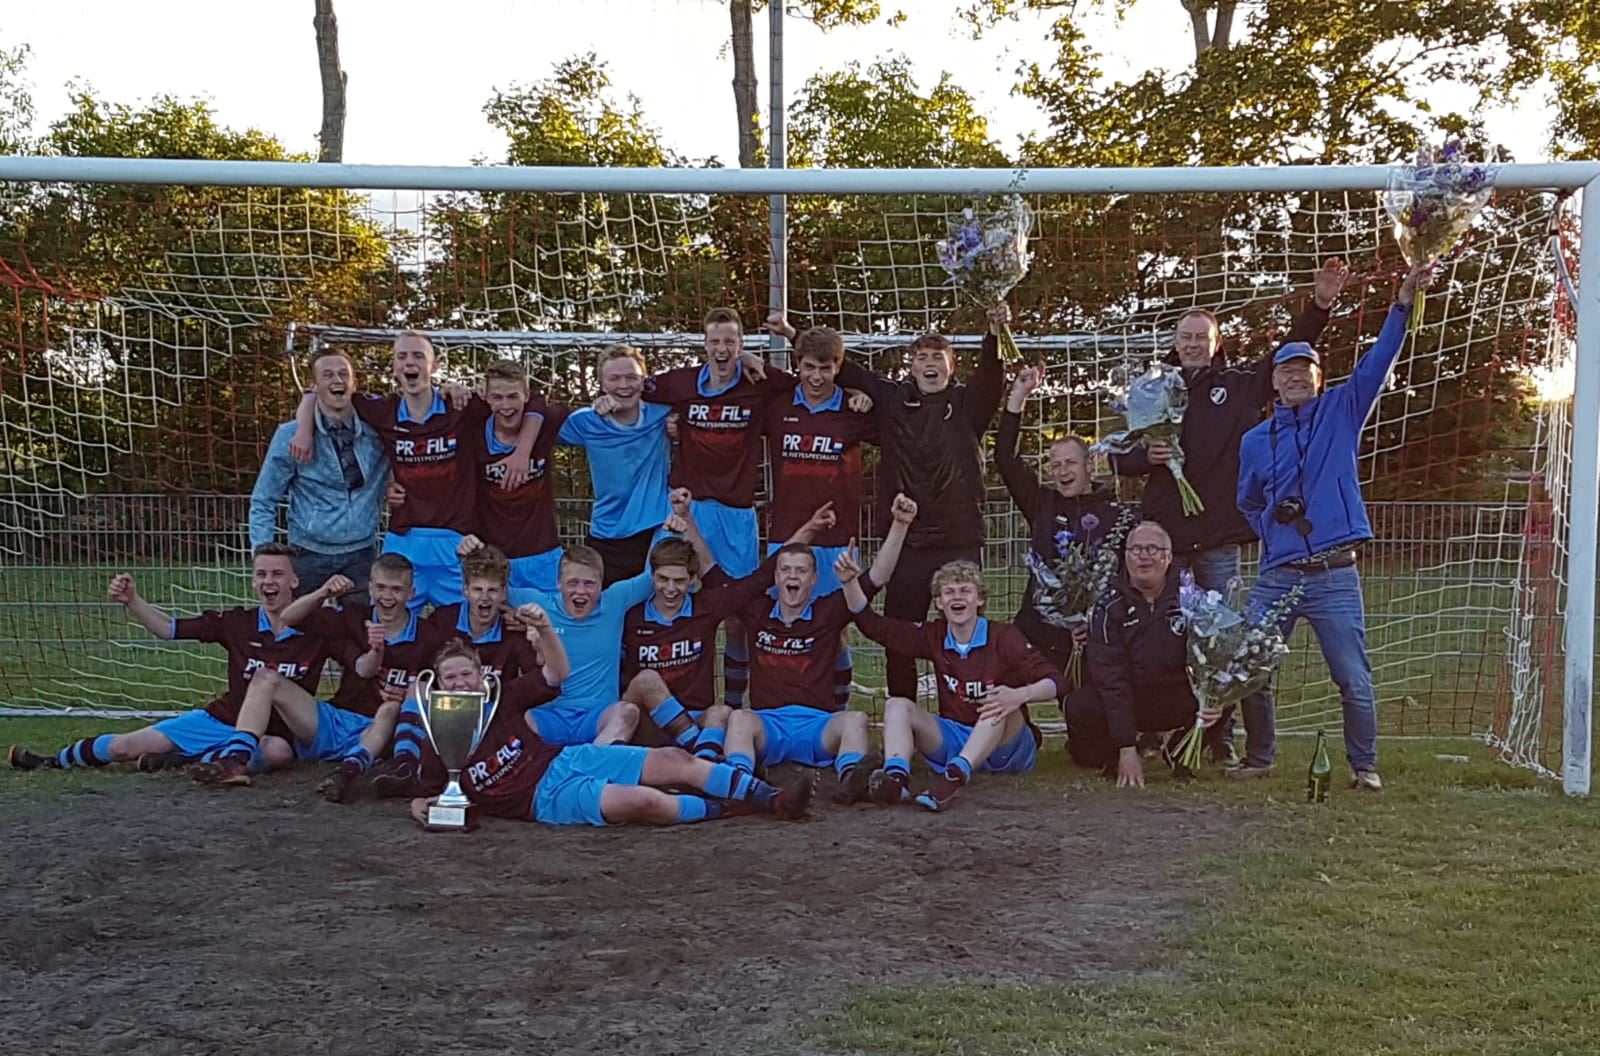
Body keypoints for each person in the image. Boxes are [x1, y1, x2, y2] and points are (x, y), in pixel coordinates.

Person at [1230, 263, 1433, 790]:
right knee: (1251, 665)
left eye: (1305, 370)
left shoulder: (1343, 410)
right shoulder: (1255, 439)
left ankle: (1363, 766)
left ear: (1320, 379)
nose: (1296, 376)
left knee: (1353, 678)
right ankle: (1260, 756)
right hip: (1278, 571)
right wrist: (1273, 530)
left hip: (1334, 573)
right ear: (1272, 382)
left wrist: (1403, 303)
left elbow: (1379, 360)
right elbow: (1248, 500)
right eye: (1286, 370)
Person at [781, 307, 1004, 702]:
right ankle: (906, 717)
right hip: (906, 543)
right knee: (899, 636)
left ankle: (968, 717)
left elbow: (991, 379)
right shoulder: (893, 399)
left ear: (952, 369)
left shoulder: (969, 405)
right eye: (921, 357)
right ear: (912, 368)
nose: (929, 363)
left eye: (938, 358)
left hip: (959, 538)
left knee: (967, 634)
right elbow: (842, 366)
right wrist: (792, 334)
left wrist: (993, 332)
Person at [1113, 259, 1348, 593]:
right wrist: (1147, 456)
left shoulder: (1241, 385)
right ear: (1176, 343)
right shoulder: (1150, 392)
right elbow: (1120, 457)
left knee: (1221, 632)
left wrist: (1320, 305)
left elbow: (1287, 351)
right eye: (1186, 337)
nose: (1193, 344)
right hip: (1165, 538)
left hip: (1219, 538)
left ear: (1215, 344)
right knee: (1166, 631)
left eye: (1201, 337)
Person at [7, 544, 342, 776]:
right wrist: (133, 601)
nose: (269, 582)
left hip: (272, 737)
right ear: (254, 581)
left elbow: (358, 666)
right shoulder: (237, 622)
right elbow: (169, 629)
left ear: (295, 581)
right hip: (221, 721)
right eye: (261, 574)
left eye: (277, 574)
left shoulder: (320, 629)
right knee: (125, 747)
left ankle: (181, 761)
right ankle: (52, 761)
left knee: (279, 754)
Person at [406, 638, 813, 827]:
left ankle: (772, 799)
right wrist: (420, 809)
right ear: (438, 685)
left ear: (481, 676)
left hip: (564, 758)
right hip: (543, 800)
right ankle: (727, 808)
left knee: (674, 760)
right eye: (450, 678)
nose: (460, 683)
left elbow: (556, 675)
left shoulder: (502, 700)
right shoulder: (437, 734)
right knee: (641, 802)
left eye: (466, 673)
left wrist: (545, 630)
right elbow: (425, 794)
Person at [292, 331, 542, 610]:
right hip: (405, 542)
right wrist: (303, 430)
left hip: (457, 543)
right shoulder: (382, 411)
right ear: (395, 368)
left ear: (434, 367)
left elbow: (532, 403)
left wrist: (522, 453)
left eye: (418, 356)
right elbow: (319, 394)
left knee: (466, 630)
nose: (410, 362)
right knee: (388, 631)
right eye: (402, 356)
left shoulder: (459, 406)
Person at [721, 493, 917, 804]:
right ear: (774, 577)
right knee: (739, 720)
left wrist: (900, 525)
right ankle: (743, 787)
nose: (792, 576)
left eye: (800, 571)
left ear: (814, 579)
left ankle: (851, 782)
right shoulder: (757, 609)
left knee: (855, 720)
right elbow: (710, 575)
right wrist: (687, 523)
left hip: (819, 725)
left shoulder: (828, 610)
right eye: (785, 570)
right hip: (769, 723)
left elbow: (878, 577)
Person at [641, 307, 791, 707]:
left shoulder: (757, 382)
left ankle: (733, 708)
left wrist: (751, 362)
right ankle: (667, 702)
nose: (721, 348)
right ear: (704, 344)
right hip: (686, 509)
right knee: (665, 598)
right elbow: (635, 390)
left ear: (741, 345)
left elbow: (803, 386)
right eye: (715, 341)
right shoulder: (683, 383)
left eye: (730, 341)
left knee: (739, 616)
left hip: (736, 514)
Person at [620, 496, 837, 759]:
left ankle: (706, 766)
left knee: (723, 712)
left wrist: (810, 528)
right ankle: (701, 760)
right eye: (663, 579)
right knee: (647, 682)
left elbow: (765, 574)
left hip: (697, 719)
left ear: (692, 579)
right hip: (649, 722)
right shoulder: (631, 617)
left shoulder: (707, 607)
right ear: (651, 577)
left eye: (679, 581)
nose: (670, 588)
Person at [844, 559, 1063, 812]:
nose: (956, 597)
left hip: (1006, 747)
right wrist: (850, 583)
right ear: (939, 602)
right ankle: (896, 781)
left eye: (965, 590)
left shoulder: (1003, 636)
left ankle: (954, 779)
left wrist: (1019, 695)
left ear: (979, 599)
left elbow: (1056, 682)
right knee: (897, 705)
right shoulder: (934, 635)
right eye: (949, 592)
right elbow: (876, 628)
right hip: (957, 737)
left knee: (996, 703)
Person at [762, 325, 879, 708]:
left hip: (837, 541)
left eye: (826, 368)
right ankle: (769, 707)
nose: (816, 377)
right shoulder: (778, 405)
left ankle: (838, 713)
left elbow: (898, 415)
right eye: (809, 367)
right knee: (777, 624)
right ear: (798, 365)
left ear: (838, 366)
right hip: (788, 536)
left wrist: (865, 398)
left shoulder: (854, 408)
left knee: (835, 630)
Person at [1066, 521, 1226, 787]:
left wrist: (1214, 698)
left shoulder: (1194, 601)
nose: (1143, 556)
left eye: (1153, 549)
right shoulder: (1108, 606)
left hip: (1177, 695)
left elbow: (1214, 662)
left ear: (1168, 557)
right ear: (1125, 557)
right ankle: (1113, 757)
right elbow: (1111, 678)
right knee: (1080, 705)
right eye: (1136, 549)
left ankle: (1180, 754)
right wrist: (1126, 747)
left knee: (1226, 694)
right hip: (1130, 696)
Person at [275, 552, 441, 801]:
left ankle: (352, 771)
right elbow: (288, 617)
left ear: (411, 593)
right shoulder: (354, 616)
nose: (387, 596)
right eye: (381, 588)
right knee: (268, 680)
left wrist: (408, 696)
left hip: (381, 731)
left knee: (391, 708)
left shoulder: (429, 636)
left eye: (396, 589)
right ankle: (235, 758)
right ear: (371, 589)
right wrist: (323, 593)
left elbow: (436, 688)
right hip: (338, 721)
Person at [996, 364, 1123, 671]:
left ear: (1089, 465)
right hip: (1037, 630)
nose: (1063, 472)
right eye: (1056, 465)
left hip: (1091, 634)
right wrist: (1017, 398)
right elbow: (1005, 458)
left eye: (1070, 463)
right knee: (1001, 680)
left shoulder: (1116, 515)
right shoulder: (1042, 503)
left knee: (1082, 708)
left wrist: (1091, 621)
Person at [250, 349, 389, 606]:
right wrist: (263, 552)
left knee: (359, 635)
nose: (337, 380)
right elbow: (264, 499)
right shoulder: (291, 436)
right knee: (300, 635)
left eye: (343, 374)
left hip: (361, 553)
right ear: (314, 387)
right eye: (327, 374)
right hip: (308, 553)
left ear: (354, 383)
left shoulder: (377, 430)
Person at [439, 358, 569, 592]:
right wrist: (448, 388)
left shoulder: (545, 425)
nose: (505, 405)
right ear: (486, 398)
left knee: (547, 625)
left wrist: (523, 452)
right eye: (497, 397)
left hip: (543, 556)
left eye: (512, 396)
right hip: (493, 558)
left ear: (525, 396)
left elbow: (543, 403)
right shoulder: (474, 433)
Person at [557, 344, 673, 586]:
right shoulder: (586, 422)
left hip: (656, 530)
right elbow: (536, 425)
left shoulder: (662, 413)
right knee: (604, 611)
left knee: (660, 608)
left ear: (643, 380)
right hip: (607, 533)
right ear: (601, 383)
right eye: (614, 378)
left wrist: (743, 357)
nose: (623, 385)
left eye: (631, 377)